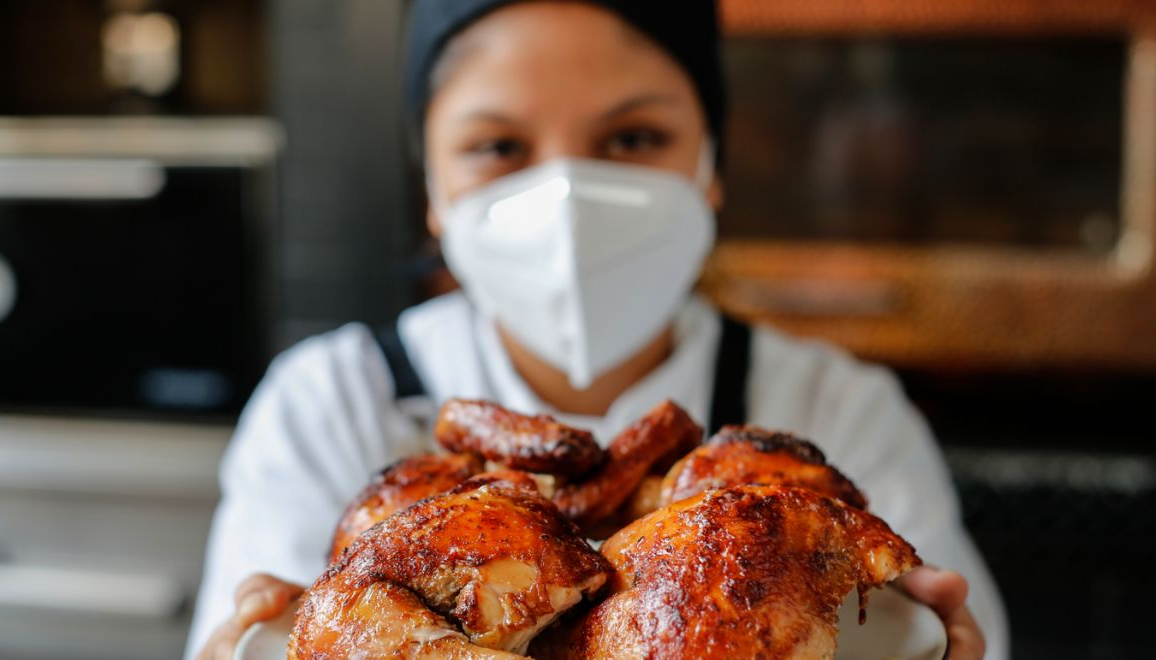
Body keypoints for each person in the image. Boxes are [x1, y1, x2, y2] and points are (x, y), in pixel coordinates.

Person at [188, 2, 1006, 658]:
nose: (568, 196)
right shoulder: (332, 397)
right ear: (432, 190)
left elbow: (939, 627)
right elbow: (280, 631)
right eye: (499, 145)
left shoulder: (838, 406)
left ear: (710, 168)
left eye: (633, 138)